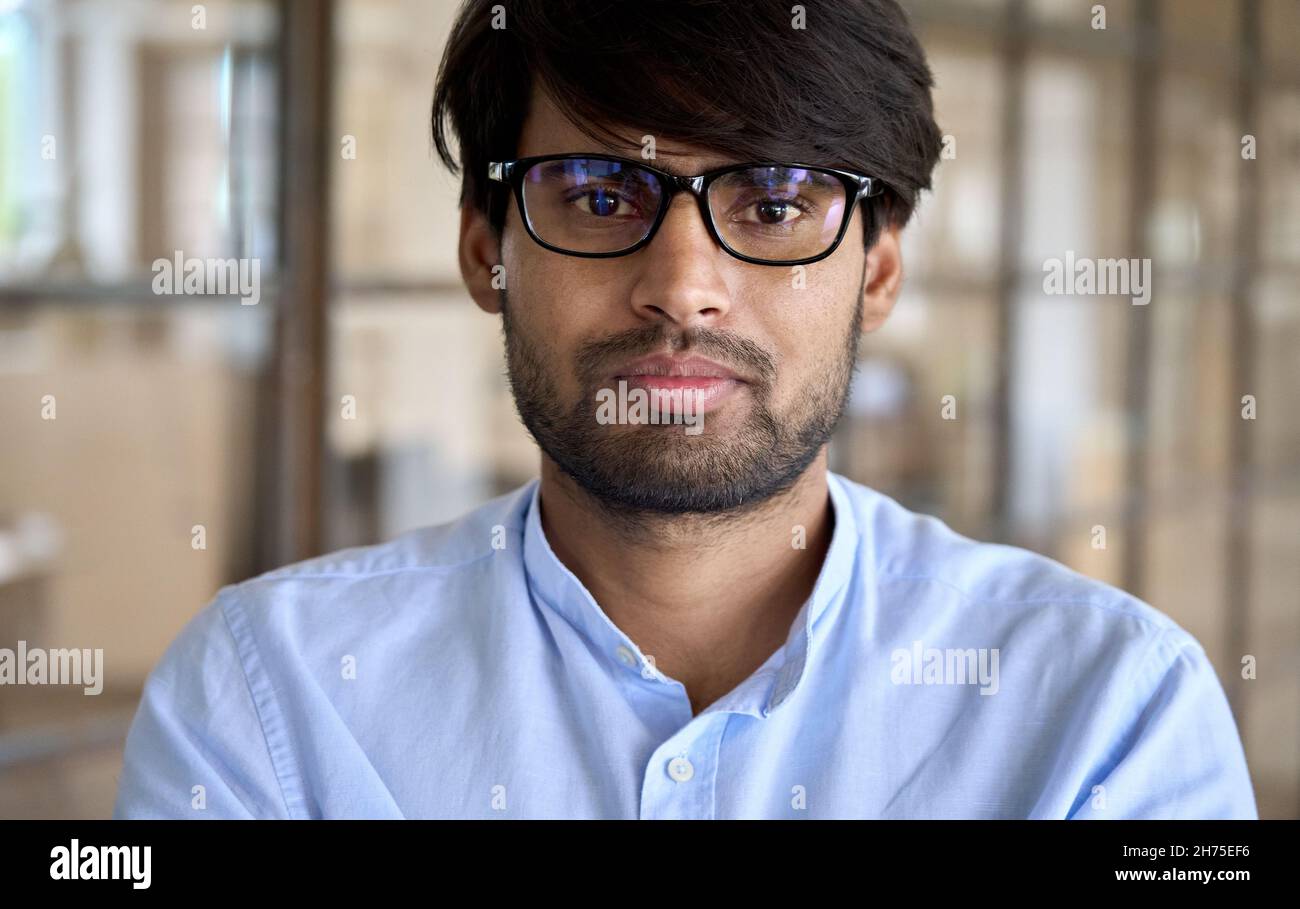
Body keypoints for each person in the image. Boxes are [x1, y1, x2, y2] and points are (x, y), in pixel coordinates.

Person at [113, 0, 1256, 819]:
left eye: (769, 202)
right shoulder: (270, 698)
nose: (680, 286)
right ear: (484, 252)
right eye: (602, 195)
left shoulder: (1107, 708)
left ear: (877, 270)